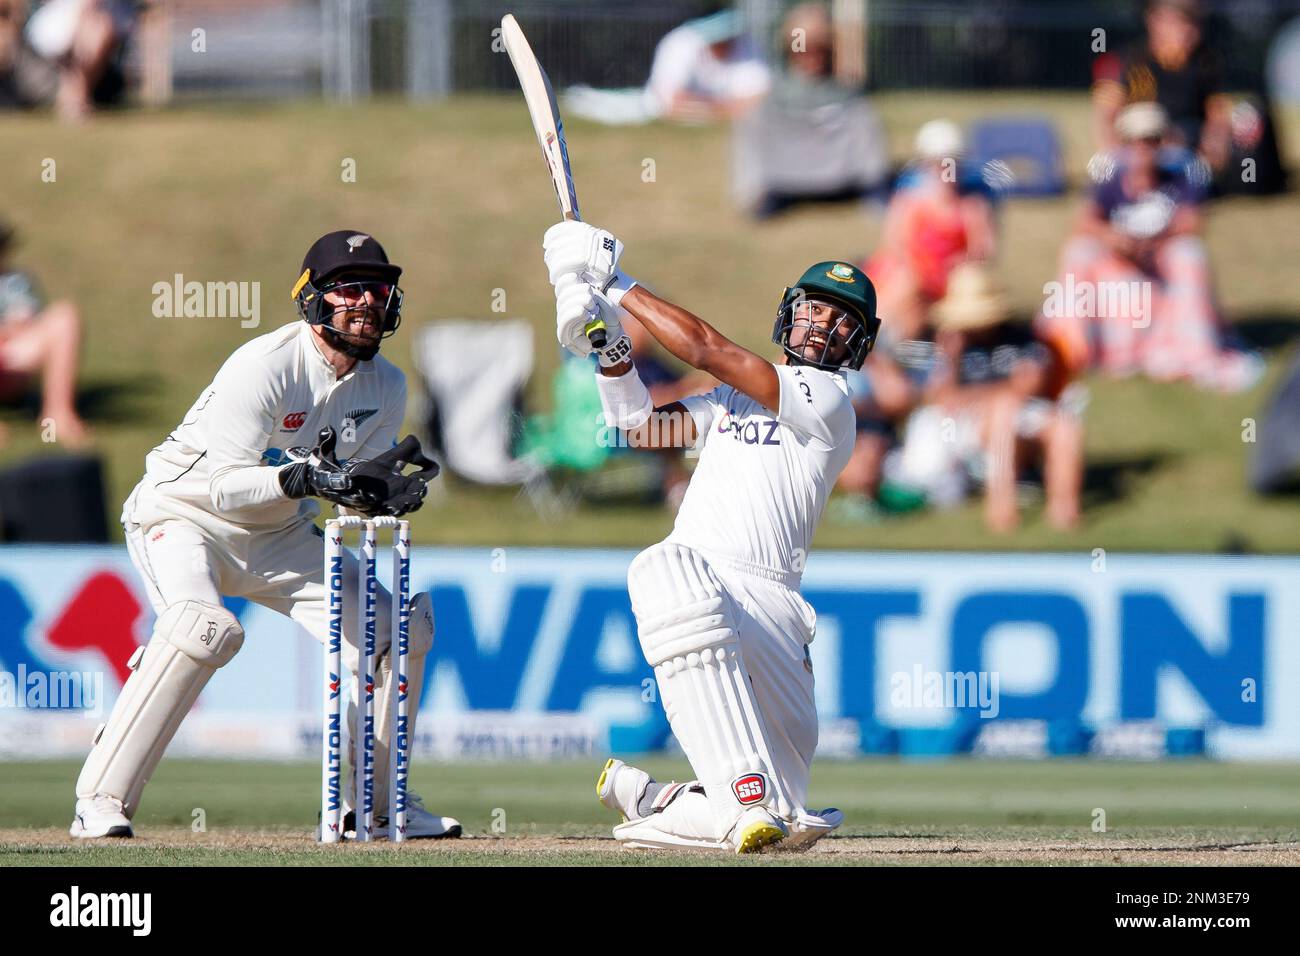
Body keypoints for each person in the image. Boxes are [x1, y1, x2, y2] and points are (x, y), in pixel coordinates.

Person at [70, 230, 460, 841]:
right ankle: (100, 798)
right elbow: (224, 488)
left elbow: (346, 483)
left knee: (397, 631)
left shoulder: (387, 385)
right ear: (313, 300)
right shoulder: (267, 365)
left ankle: (378, 805)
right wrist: (309, 476)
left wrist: (366, 491)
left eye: (376, 289)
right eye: (348, 289)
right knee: (202, 629)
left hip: (281, 536)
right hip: (184, 516)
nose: (365, 302)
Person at [541, 220, 880, 852]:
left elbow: (704, 347)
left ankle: (657, 800)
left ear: (857, 345)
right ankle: (739, 792)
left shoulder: (830, 400)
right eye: (815, 311)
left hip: (775, 604)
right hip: (700, 575)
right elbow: (638, 430)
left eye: (842, 323)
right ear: (789, 314)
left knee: (786, 823)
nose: (823, 328)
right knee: (662, 567)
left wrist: (614, 282)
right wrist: (612, 353)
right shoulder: (728, 401)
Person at [1041, 102, 1260, 391]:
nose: (1143, 148)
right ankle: (1075, 346)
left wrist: (1154, 242)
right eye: (1135, 140)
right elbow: (1084, 222)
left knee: (1188, 254)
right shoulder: (1110, 178)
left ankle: (1191, 349)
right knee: (1078, 253)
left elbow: (1194, 222)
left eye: (1151, 139)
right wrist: (1113, 238)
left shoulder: (1181, 174)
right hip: (1118, 269)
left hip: (1160, 268)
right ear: (1124, 142)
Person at [892, 264, 1084, 533]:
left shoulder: (1023, 338)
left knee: (1062, 425)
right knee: (1004, 409)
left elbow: (1030, 385)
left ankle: (1065, 509)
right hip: (971, 425)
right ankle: (1001, 506)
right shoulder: (947, 343)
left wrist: (980, 396)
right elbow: (940, 398)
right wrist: (952, 360)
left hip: (1024, 414)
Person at [864, 119, 997, 343]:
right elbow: (896, 245)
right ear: (926, 165)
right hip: (913, 272)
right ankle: (877, 338)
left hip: (953, 276)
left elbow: (984, 249)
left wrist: (959, 263)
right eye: (938, 164)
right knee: (906, 286)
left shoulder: (972, 206)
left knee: (968, 286)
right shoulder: (910, 202)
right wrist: (922, 270)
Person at [1091, 0, 1231, 176]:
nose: (1188, 32)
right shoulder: (1124, 62)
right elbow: (1106, 119)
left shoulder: (1207, 65)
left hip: (1184, 152)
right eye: (1179, 22)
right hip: (1135, 149)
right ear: (1154, 21)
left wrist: (1212, 153)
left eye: (1194, 23)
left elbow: (1218, 121)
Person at [0, 219, 89, 447]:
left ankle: (58, 414)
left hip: (12, 362)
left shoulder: (15, 282)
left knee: (64, 316)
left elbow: (21, 322)